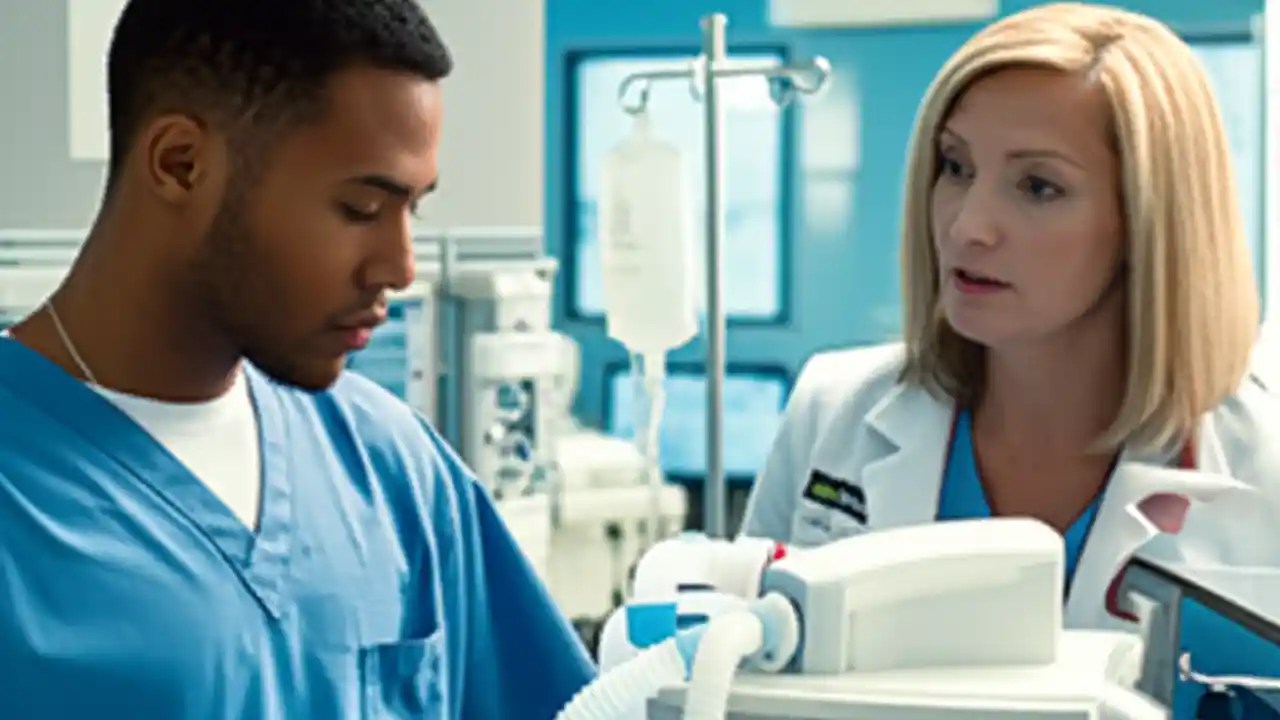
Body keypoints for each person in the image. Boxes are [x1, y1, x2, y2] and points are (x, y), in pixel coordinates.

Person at [0, 1, 593, 718]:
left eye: (415, 211)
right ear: (181, 164)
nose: (401, 268)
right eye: (360, 210)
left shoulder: (395, 470)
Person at [741, 0, 1278, 682]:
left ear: (1149, 223)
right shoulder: (833, 411)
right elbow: (740, 680)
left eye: (1037, 186)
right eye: (956, 167)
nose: (968, 226)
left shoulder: (1264, 464)